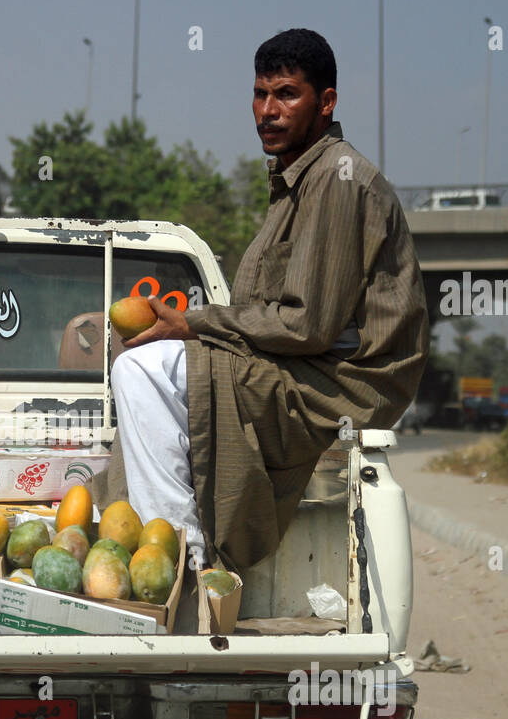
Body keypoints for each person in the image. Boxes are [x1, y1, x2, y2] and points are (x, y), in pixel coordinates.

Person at [90, 28, 429, 575]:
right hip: (305, 367)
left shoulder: (338, 180)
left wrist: (195, 324)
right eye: (260, 94)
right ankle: (157, 538)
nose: (268, 111)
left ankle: (183, 561)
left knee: (141, 371)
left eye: (287, 95)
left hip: (341, 383)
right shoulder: (297, 179)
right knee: (145, 368)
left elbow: (308, 325)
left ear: (327, 103)